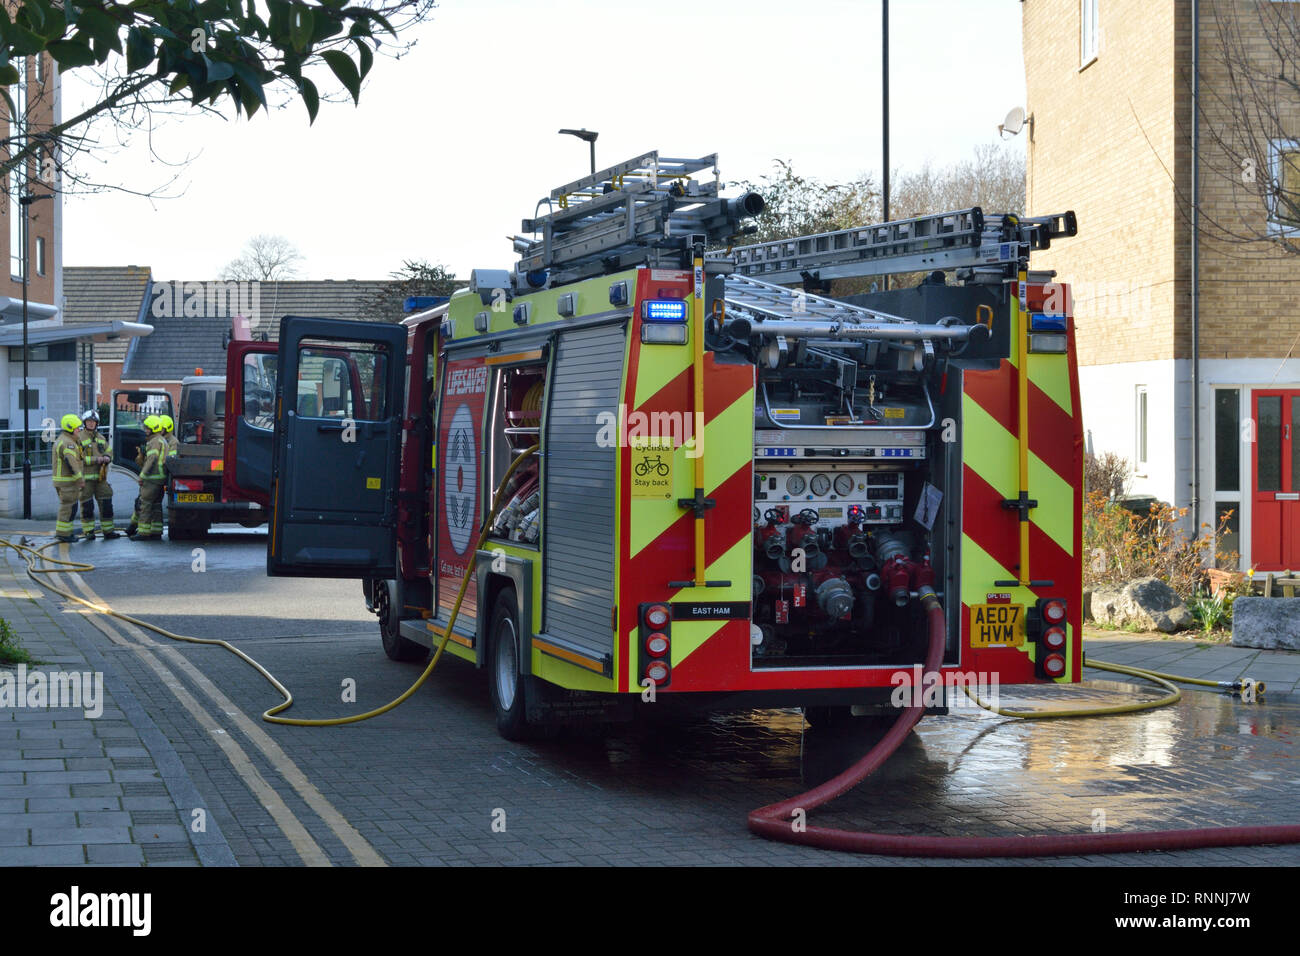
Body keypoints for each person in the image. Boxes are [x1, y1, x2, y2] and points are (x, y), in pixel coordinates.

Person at [77, 409, 117, 540]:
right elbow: (79, 459)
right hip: (86, 479)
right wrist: (96, 460)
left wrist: (107, 457)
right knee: (87, 506)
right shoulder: (79, 438)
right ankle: (89, 532)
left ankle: (108, 531)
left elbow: (109, 451)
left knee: (106, 502)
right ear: (84, 422)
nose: (91, 424)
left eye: (93, 422)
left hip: (101, 478)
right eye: (89, 421)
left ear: (97, 423)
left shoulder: (101, 438)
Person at [51, 414, 85, 543]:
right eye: (77, 428)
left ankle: (66, 533)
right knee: (68, 508)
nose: (79, 430)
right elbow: (71, 463)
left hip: (64, 482)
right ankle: (64, 534)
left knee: (69, 507)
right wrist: (79, 479)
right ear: (70, 428)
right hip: (67, 483)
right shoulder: (68, 443)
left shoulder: (65, 440)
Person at [136, 415, 167, 540]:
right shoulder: (161, 440)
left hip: (152, 478)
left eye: (148, 428)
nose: (145, 431)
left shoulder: (154, 442)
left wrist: (142, 475)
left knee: (146, 504)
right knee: (156, 505)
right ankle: (156, 531)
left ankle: (143, 532)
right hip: (160, 478)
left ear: (154, 428)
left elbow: (152, 459)